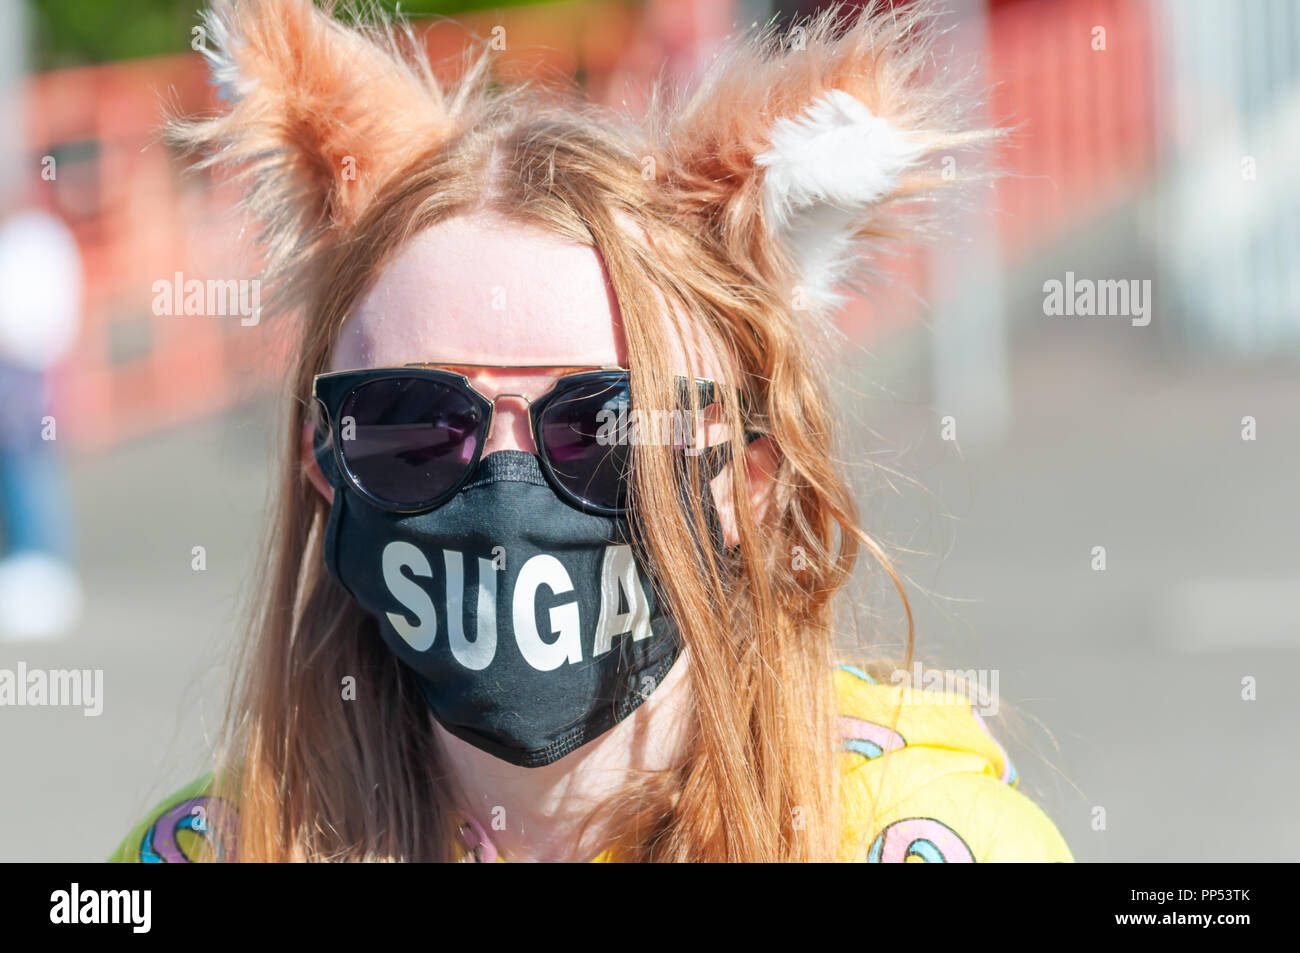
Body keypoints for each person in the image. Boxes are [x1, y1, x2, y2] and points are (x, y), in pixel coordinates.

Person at [110, 0, 1071, 862]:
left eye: (605, 426)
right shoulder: (201, 852)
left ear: (751, 474)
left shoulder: (925, 840)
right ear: (324, 463)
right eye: (411, 423)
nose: (503, 489)